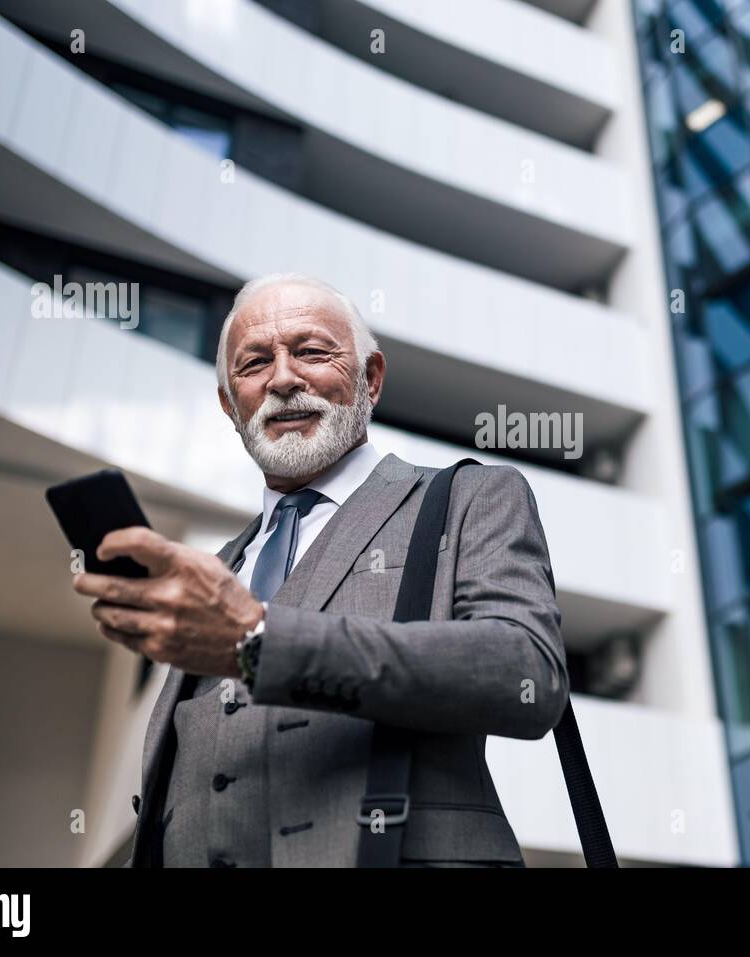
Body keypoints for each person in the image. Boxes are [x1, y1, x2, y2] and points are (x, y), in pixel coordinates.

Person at [72, 273, 568, 867]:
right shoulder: (222, 565)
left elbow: (528, 674)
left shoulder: (471, 498)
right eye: (254, 363)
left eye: (310, 352)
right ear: (231, 406)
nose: (282, 378)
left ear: (371, 379)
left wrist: (257, 641)